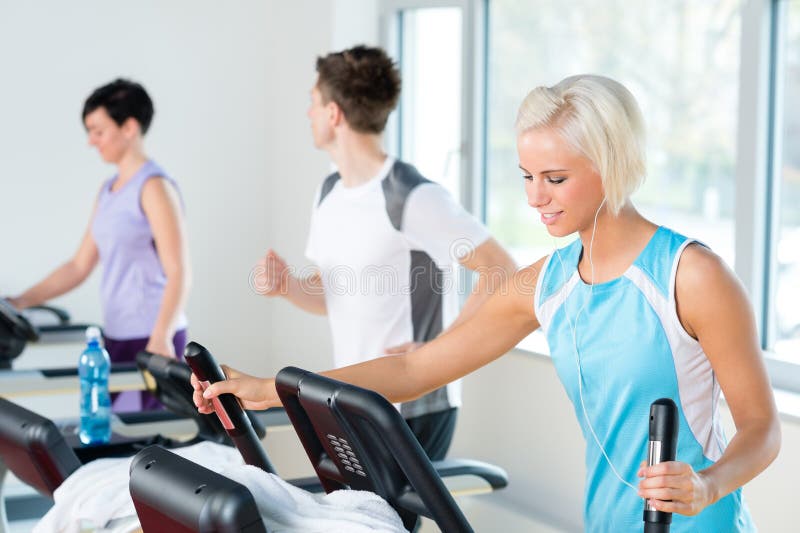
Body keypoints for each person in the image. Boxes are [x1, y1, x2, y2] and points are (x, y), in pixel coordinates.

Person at [197, 74, 779, 531]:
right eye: (527, 176)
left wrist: (707, 485)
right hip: (604, 521)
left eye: (555, 178)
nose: (535, 198)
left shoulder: (690, 275)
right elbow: (414, 369)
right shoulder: (547, 284)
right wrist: (268, 388)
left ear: (610, 165)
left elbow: (762, 428)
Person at [252, 45, 516, 462]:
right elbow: (333, 296)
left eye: (313, 101)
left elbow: (501, 270)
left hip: (413, 407)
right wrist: (288, 287)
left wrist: (439, 349)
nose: (308, 113)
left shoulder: (410, 195)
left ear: (334, 114)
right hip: (352, 397)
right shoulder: (329, 192)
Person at [9, 79, 191, 412]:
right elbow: (79, 266)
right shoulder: (108, 191)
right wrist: (21, 301)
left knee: (141, 434)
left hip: (152, 336)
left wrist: (162, 335)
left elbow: (179, 271)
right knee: (110, 430)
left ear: (129, 127)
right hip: (117, 333)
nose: (91, 141)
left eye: (98, 131)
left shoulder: (154, 187)